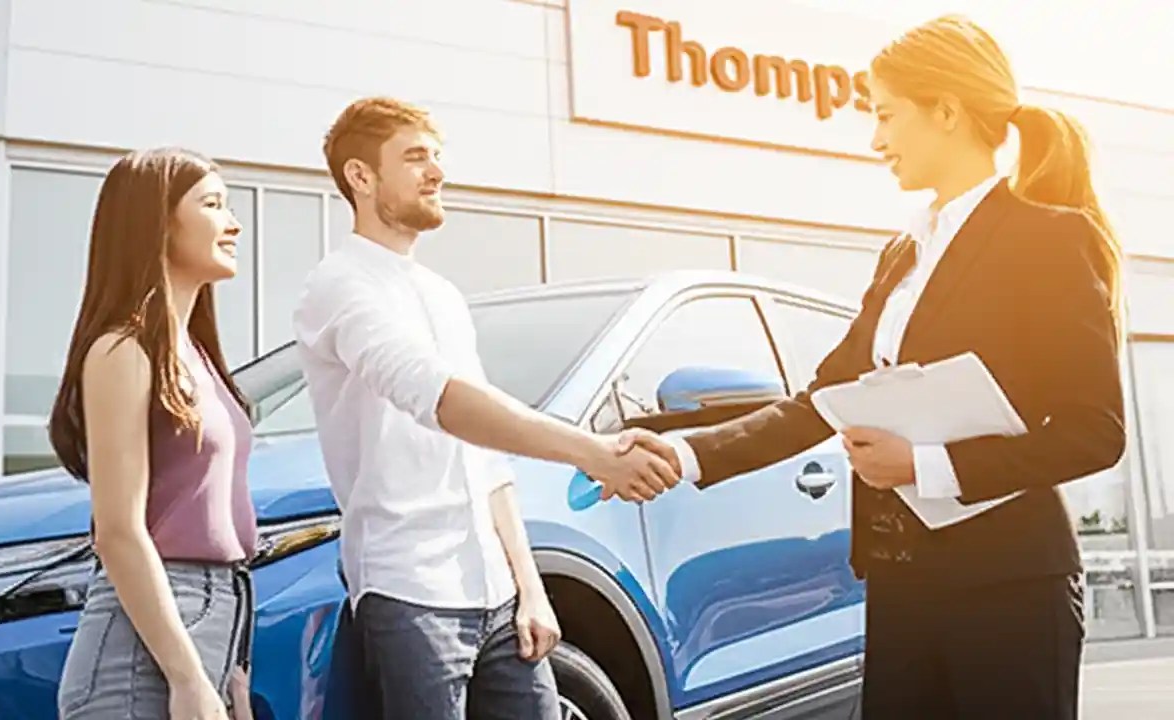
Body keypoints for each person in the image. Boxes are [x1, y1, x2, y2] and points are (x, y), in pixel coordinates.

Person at [620, 15, 1125, 720]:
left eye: (887, 116)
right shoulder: (902, 254)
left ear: (946, 111)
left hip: (1009, 590)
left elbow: (1093, 432)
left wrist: (925, 464)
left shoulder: (1047, 241)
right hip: (900, 584)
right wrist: (681, 452)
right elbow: (821, 400)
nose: (876, 140)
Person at [291, 97, 679, 718]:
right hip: (411, 594)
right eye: (416, 157)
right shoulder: (339, 284)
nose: (437, 172)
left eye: (438, 157)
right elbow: (440, 400)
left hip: (498, 595)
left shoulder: (442, 296)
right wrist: (594, 452)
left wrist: (529, 588)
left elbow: (484, 455)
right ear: (361, 177)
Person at [50, 148, 256, 720]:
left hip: (215, 617)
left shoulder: (199, 358)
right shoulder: (124, 349)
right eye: (213, 204)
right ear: (157, 223)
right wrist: (188, 678)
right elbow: (117, 532)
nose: (234, 222)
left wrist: (228, 677)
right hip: (145, 647)